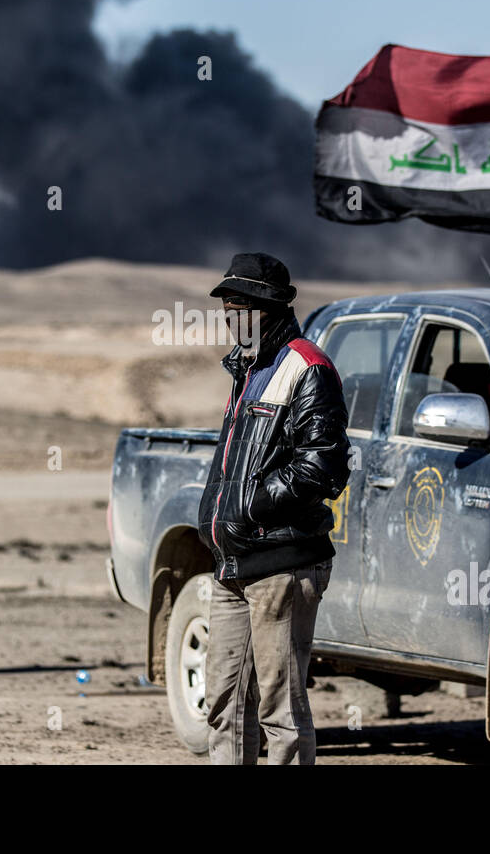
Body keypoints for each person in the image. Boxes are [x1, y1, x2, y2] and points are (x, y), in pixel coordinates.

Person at [197, 252, 351, 764]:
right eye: (227, 306)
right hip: (232, 565)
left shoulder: (306, 367)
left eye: (239, 305)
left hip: (282, 564)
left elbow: (322, 468)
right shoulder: (246, 371)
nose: (230, 317)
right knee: (223, 704)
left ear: (268, 308)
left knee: (280, 712)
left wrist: (248, 508)